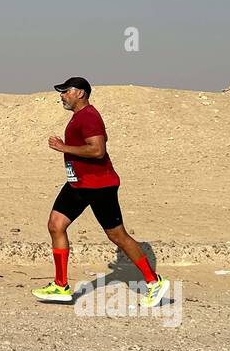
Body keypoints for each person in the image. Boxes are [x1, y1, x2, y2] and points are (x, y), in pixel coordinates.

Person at [31, 77, 169, 307]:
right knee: (56, 224)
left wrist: (63, 147)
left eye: (67, 91)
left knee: (117, 236)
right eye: (62, 92)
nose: (62, 95)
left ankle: (154, 282)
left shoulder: (89, 117)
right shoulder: (79, 117)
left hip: (99, 186)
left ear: (81, 93)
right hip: (78, 184)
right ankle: (61, 286)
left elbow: (97, 150)